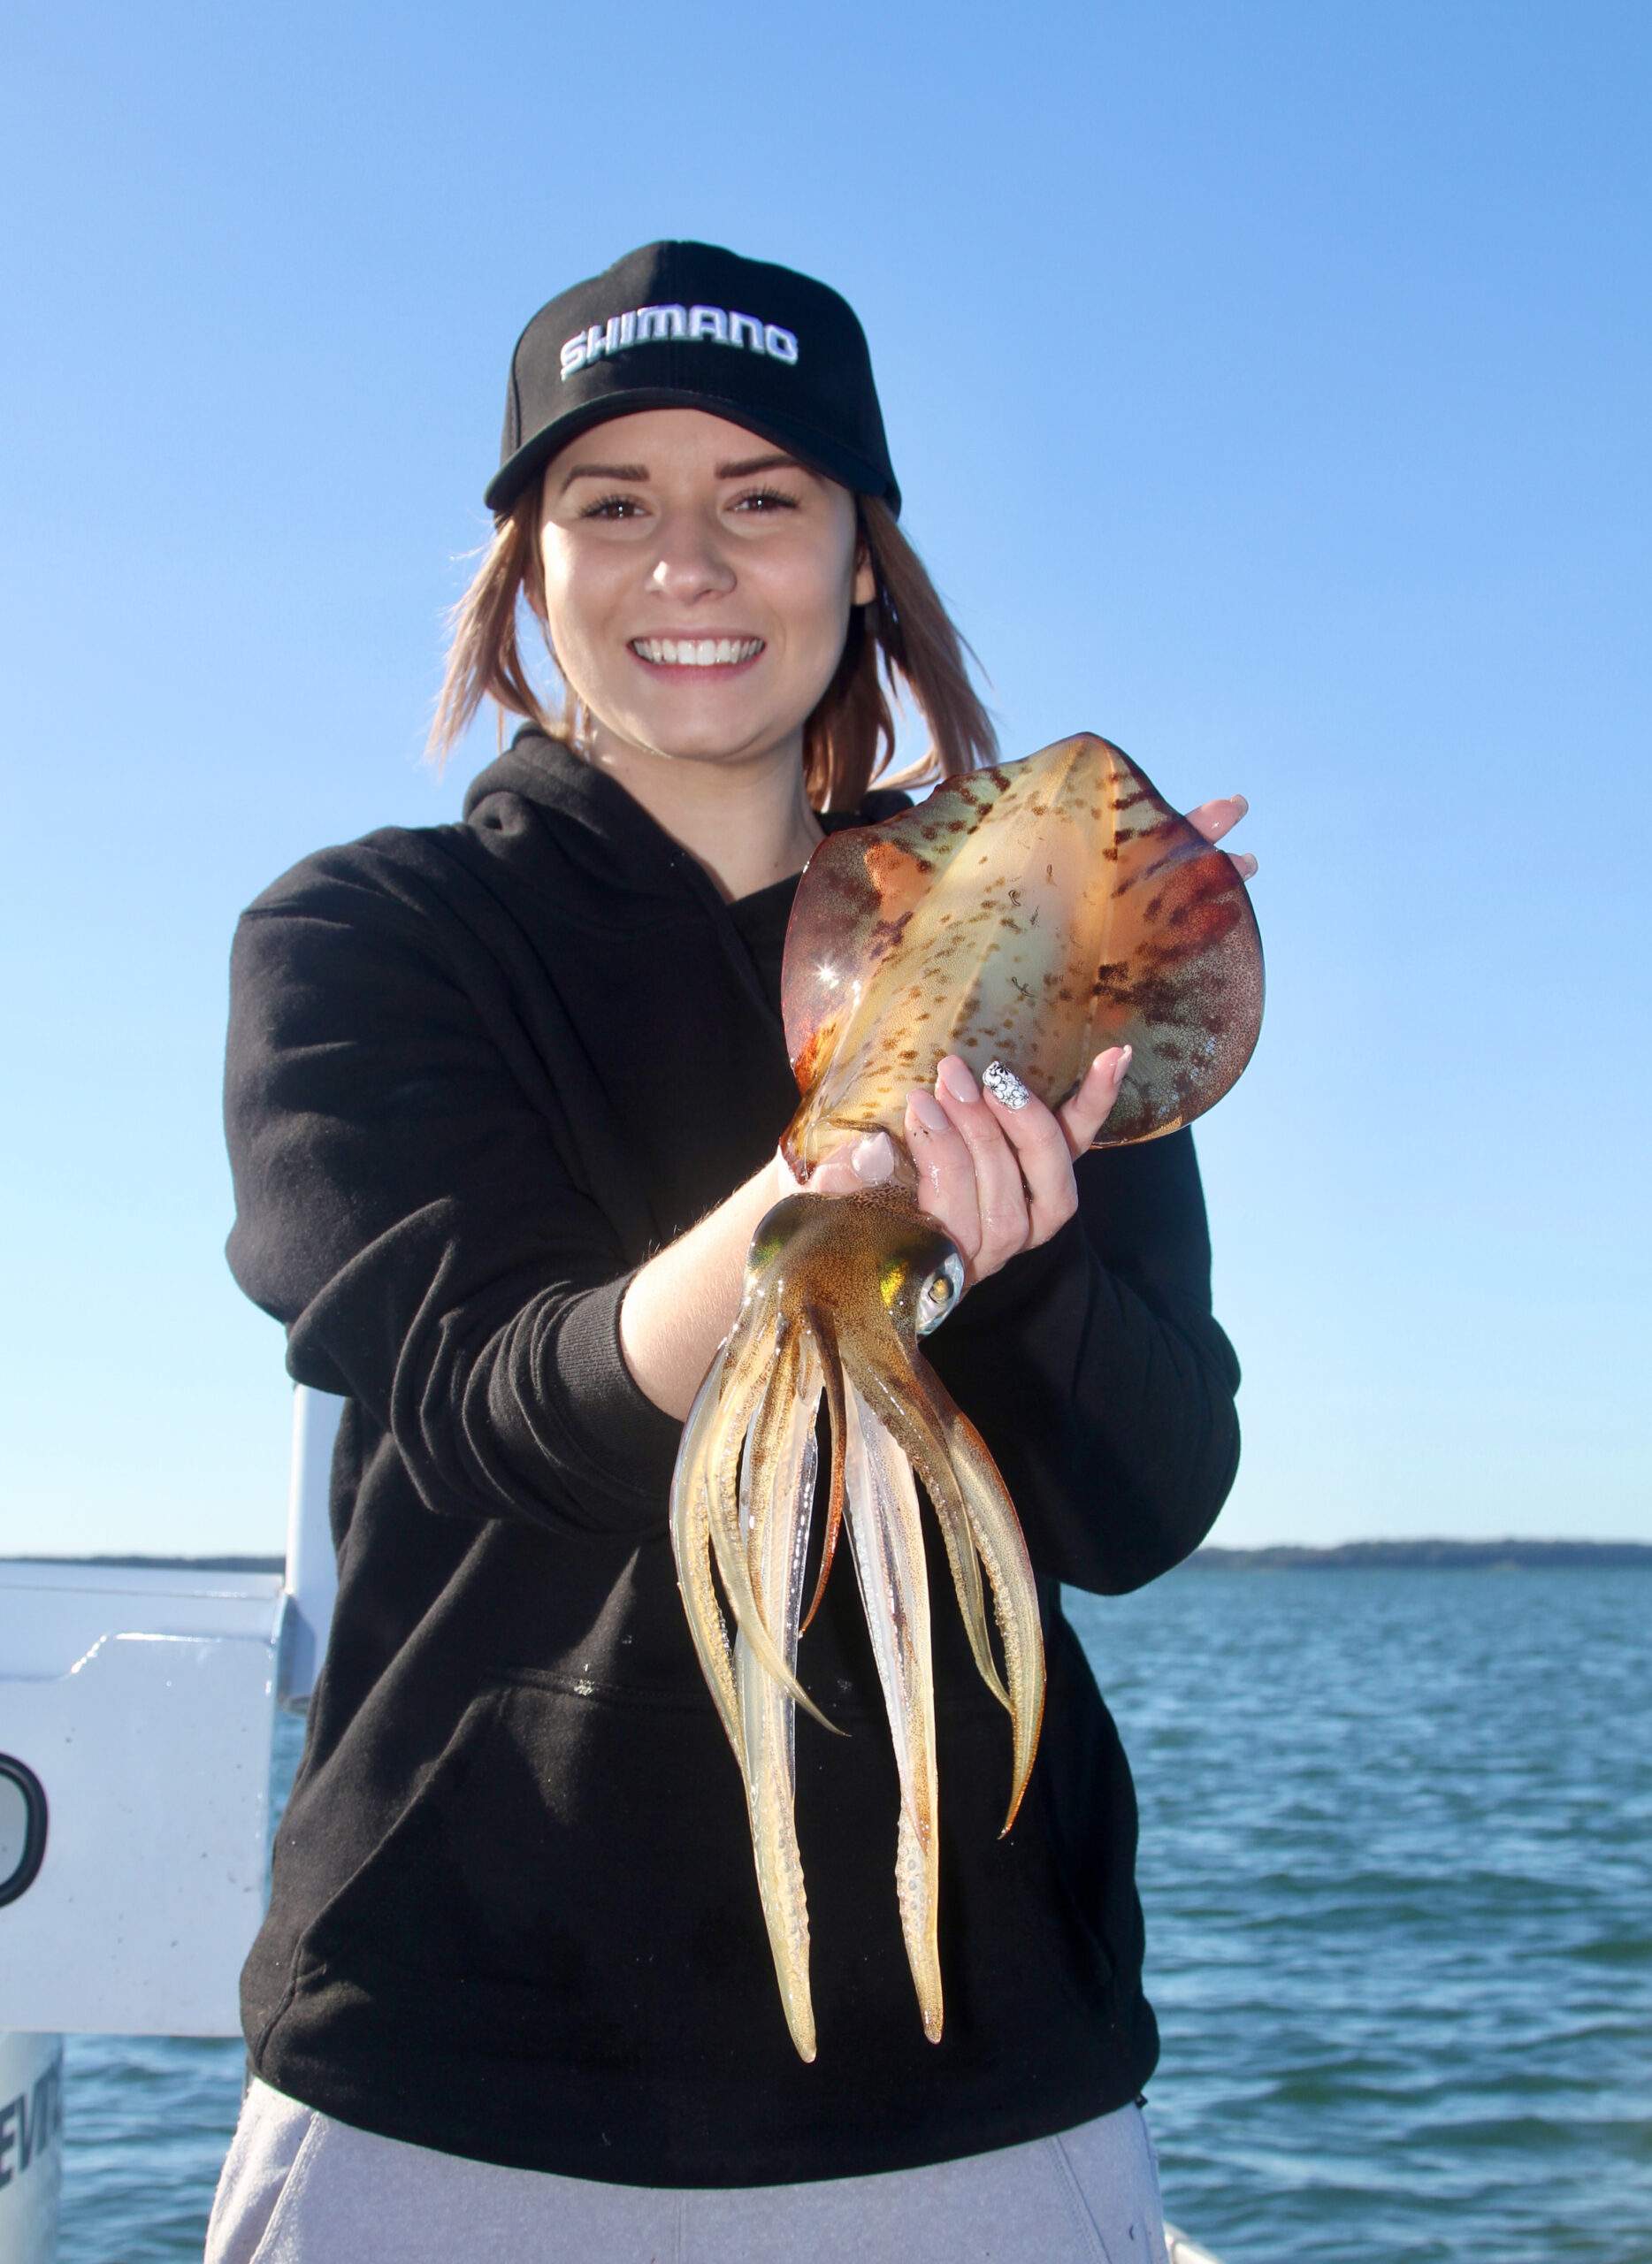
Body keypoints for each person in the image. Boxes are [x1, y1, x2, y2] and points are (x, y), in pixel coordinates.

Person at [207, 241, 1252, 2264]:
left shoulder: (1025, 940)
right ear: (532, 567)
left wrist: (1004, 1223)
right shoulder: (368, 941)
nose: (688, 560)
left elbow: (1147, 1495)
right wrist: (850, 1180)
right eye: (614, 504)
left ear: (861, 557)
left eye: (763, 498)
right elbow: (515, 1400)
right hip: (454, 2071)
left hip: (976, 2081)